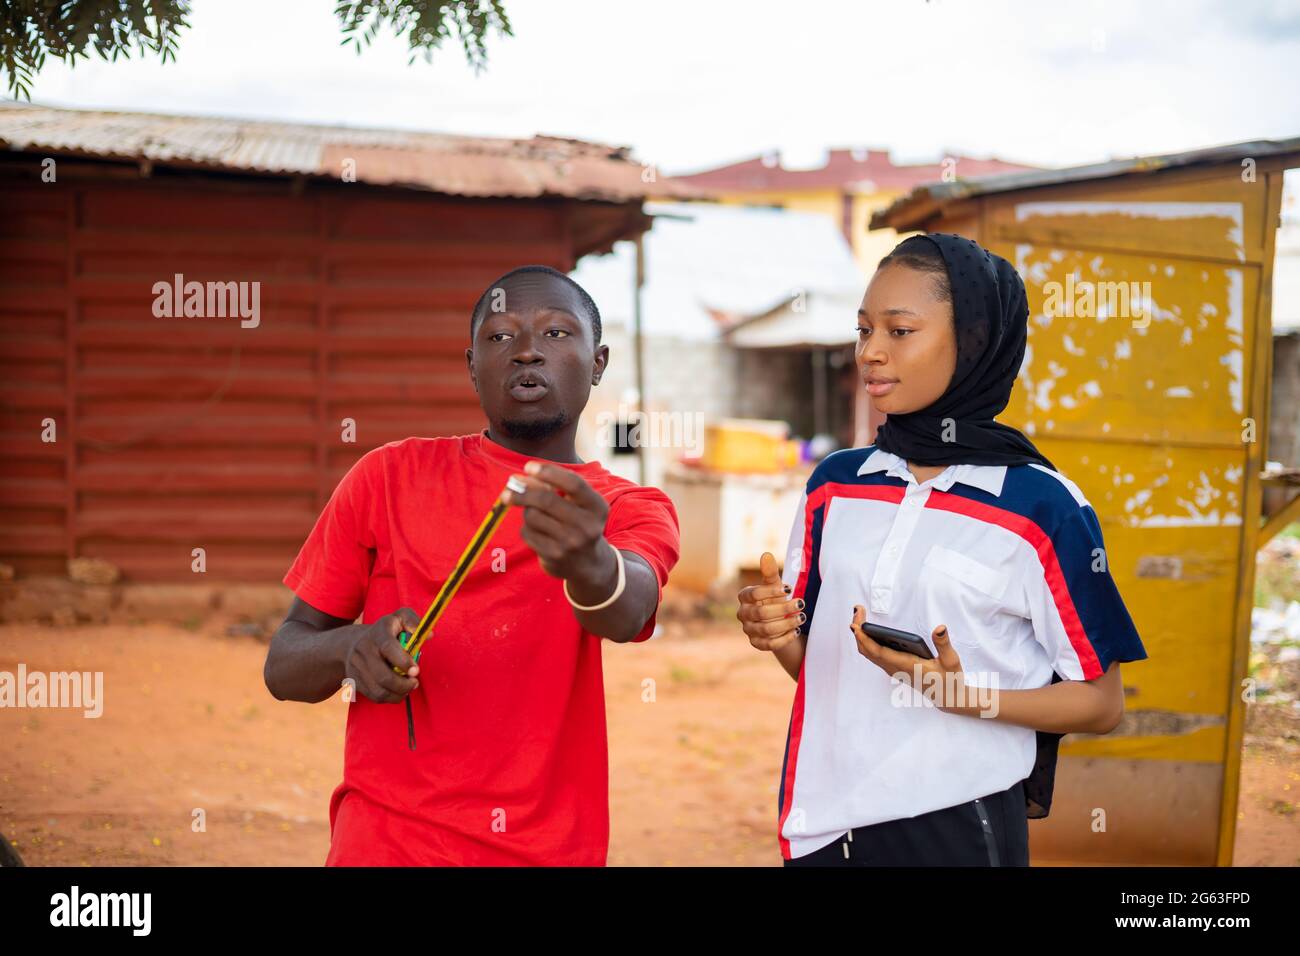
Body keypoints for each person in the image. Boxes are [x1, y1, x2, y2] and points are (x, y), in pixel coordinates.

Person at [736, 233, 1147, 866]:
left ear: (974, 345)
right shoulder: (836, 484)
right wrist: (778, 632)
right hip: (823, 820)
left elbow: (1100, 703)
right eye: (864, 329)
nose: (870, 352)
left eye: (899, 332)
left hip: (957, 822)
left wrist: (963, 696)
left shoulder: (1042, 508)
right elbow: (825, 670)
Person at [264, 265, 680, 866]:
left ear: (599, 363)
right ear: (471, 366)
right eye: (500, 336)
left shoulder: (626, 507)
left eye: (558, 334)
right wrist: (350, 648)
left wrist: (588, 559)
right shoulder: (387, 477)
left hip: (544, 851)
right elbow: (284, 663)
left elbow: (627, 606)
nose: (527, 351)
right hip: (383, 845)